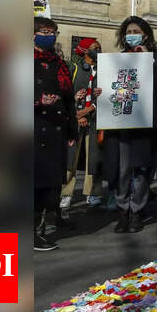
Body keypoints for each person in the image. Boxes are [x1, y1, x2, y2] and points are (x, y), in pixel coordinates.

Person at [99, 16, 157, 233]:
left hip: (144, 125)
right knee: (122, 169)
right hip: (121, 124)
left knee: (142, 170)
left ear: (145, 34)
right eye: (128, 31)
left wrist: (149, 60)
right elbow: (107, 86)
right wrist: (100, 91)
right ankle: (122, 210)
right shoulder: (116, 59)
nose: (131, 35)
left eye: (136, 31)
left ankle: (137, 210)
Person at [34, 17, 78, 251]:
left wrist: (72, 128)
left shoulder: (59, 64)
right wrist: (37, 101)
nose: (49, 35)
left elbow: (68, 99)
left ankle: (41, 226)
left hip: (55, 129)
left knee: (50, 183)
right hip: (32, 129)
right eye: (44, 31)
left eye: (53, 32)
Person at [64, 37, 103, 210]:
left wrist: (90, 109)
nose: (98, 50)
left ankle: (93, 193)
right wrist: (76, 112)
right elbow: (65, 93)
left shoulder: (105, 69)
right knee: (70, 156)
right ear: (85, 50)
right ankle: (66, 193)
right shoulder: (74, 68)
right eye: (95, 47)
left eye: (100, 48)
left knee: (94, 157)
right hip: (75, 119)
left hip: (95, 119)